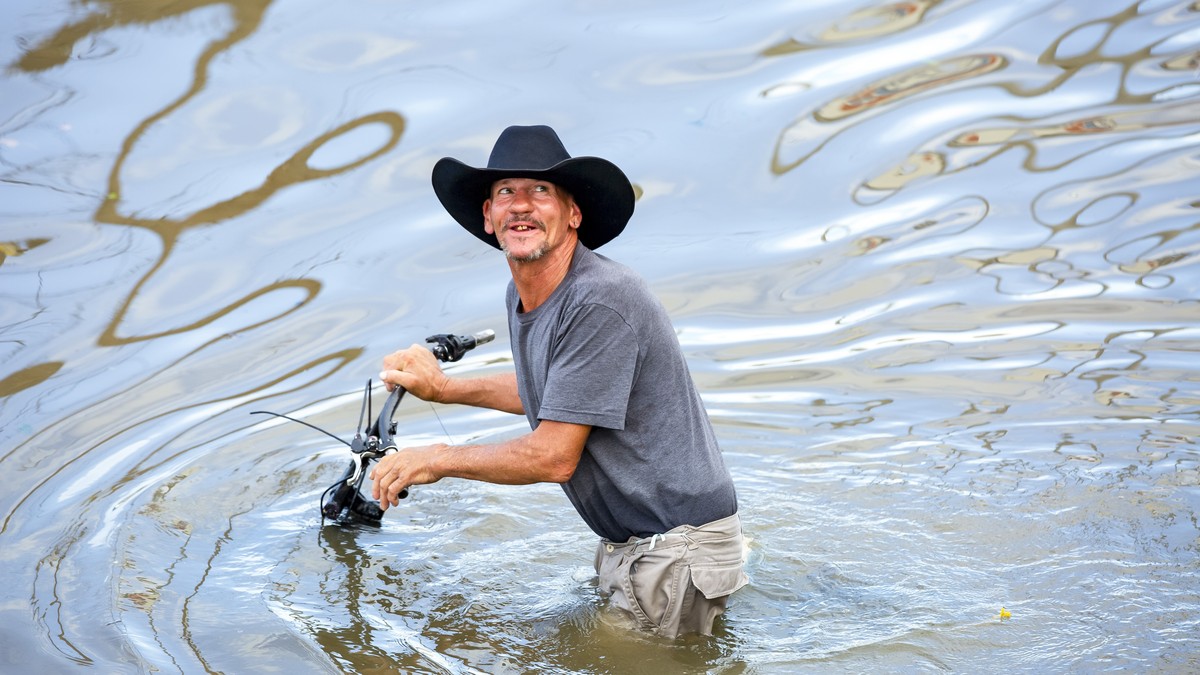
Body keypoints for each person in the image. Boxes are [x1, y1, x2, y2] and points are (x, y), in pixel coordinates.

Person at [370, 125, 748, 638]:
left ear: (573, 215)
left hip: (677, 545)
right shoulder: (524, 292)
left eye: (540, 191)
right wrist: (444, 389)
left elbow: (553, 455)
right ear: (488, 216)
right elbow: (559, 395)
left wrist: (435, 458)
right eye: (506, 192)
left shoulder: (600, 300)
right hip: (638, 542)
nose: (520, 206)